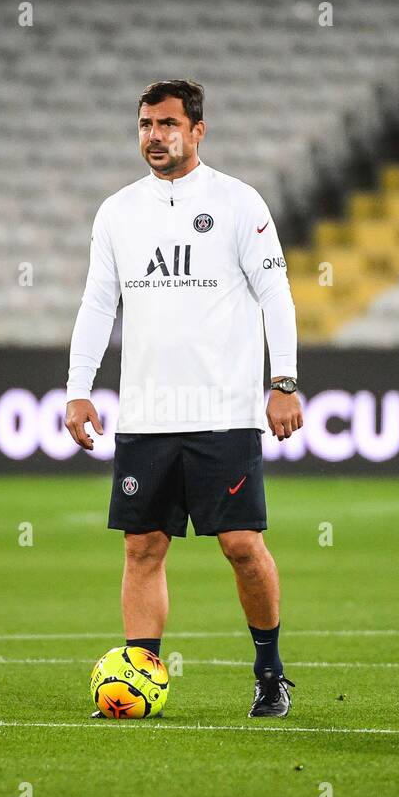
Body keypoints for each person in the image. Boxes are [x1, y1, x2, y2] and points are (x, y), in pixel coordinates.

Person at [64, 79, 303, 719]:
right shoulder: (117, 212)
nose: (155, 136)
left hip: (223, 414)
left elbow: (277, 298)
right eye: (145, 124)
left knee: (242, 547)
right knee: (142, 549)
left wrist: (283, 383)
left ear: (198, 130)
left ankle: (270, 671)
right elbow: (97, 304)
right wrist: (78, 389)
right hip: (145, 416)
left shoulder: (238, 203)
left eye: (168, 124)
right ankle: (138, 683)